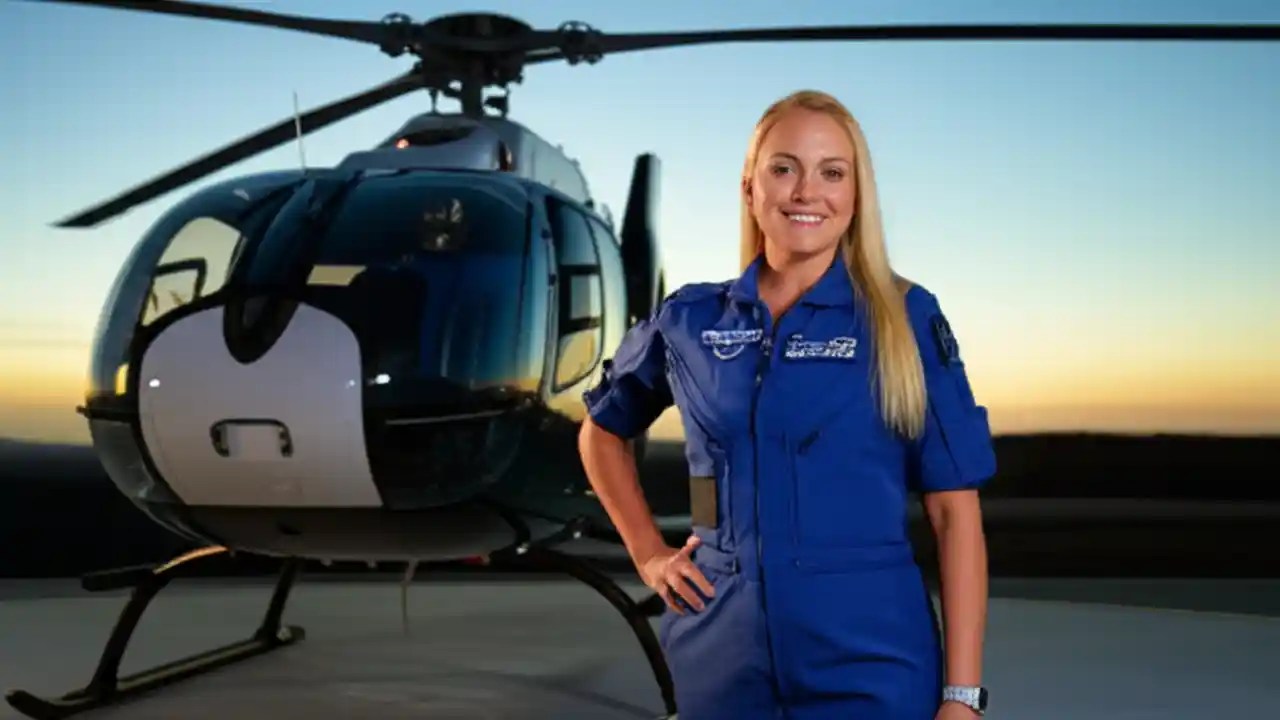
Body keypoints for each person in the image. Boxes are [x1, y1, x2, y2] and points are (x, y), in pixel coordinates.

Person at [578, 89, 996, 720]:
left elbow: (954, 516)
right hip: (719, 654)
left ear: (856, 197)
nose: (807, 191)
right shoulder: (690, 319)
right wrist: (648, 554)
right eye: (784, 168)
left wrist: (962, 698)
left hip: (873, 657)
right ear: (750, 188)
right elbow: (601, 432)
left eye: (832, 172)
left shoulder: (903, 318)